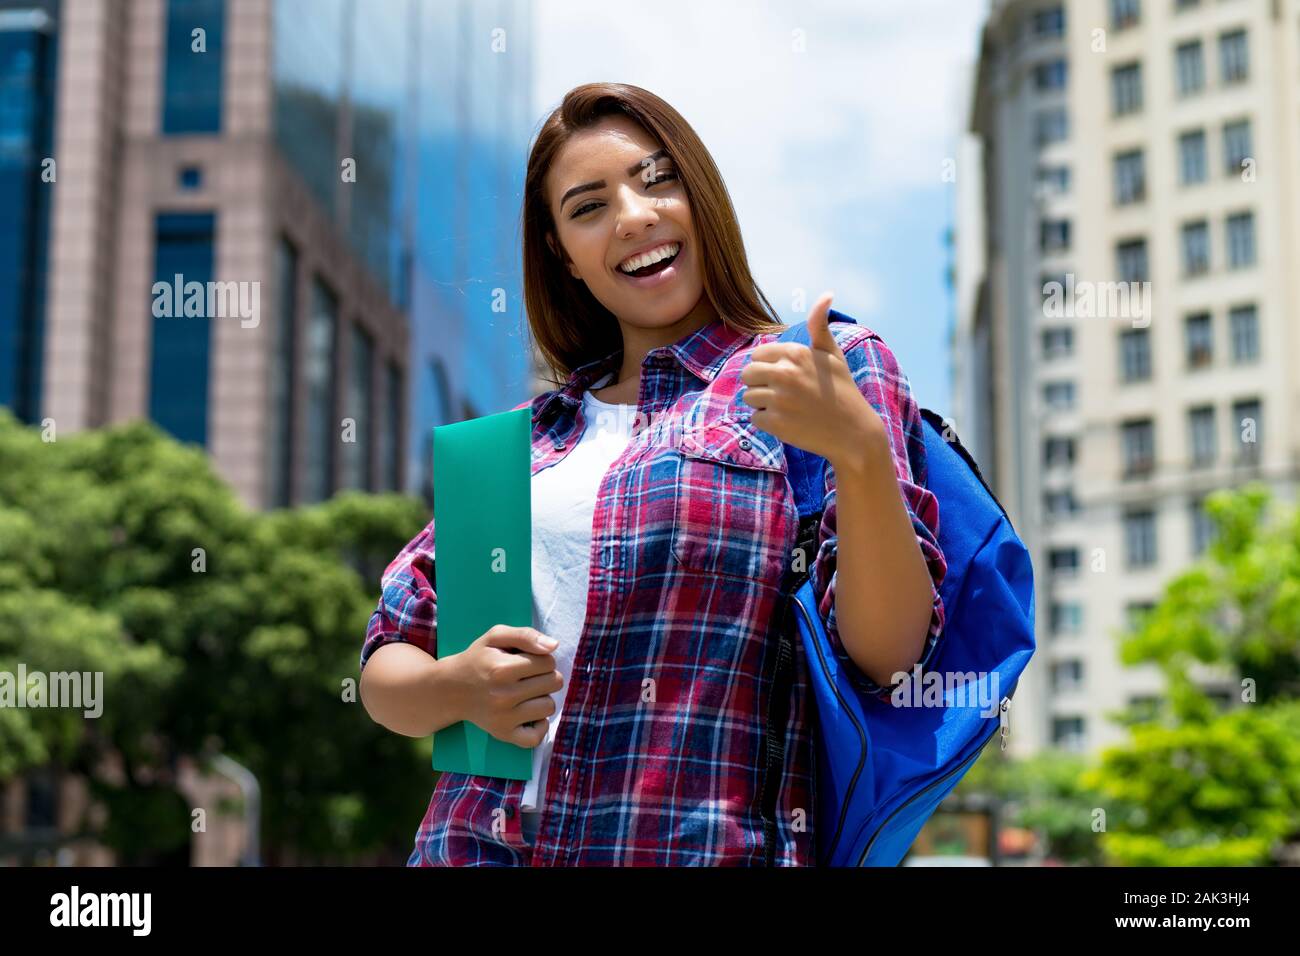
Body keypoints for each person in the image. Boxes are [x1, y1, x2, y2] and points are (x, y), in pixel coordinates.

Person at [358, 82, 946, 866]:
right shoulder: (517, 444)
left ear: (700, 194)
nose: (634, 215)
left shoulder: (814, 372)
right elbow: (389, 654)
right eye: (588, 206)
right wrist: (459, 688)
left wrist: (863, 455)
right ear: (564, 255)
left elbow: (889, 656)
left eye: (657, 177)